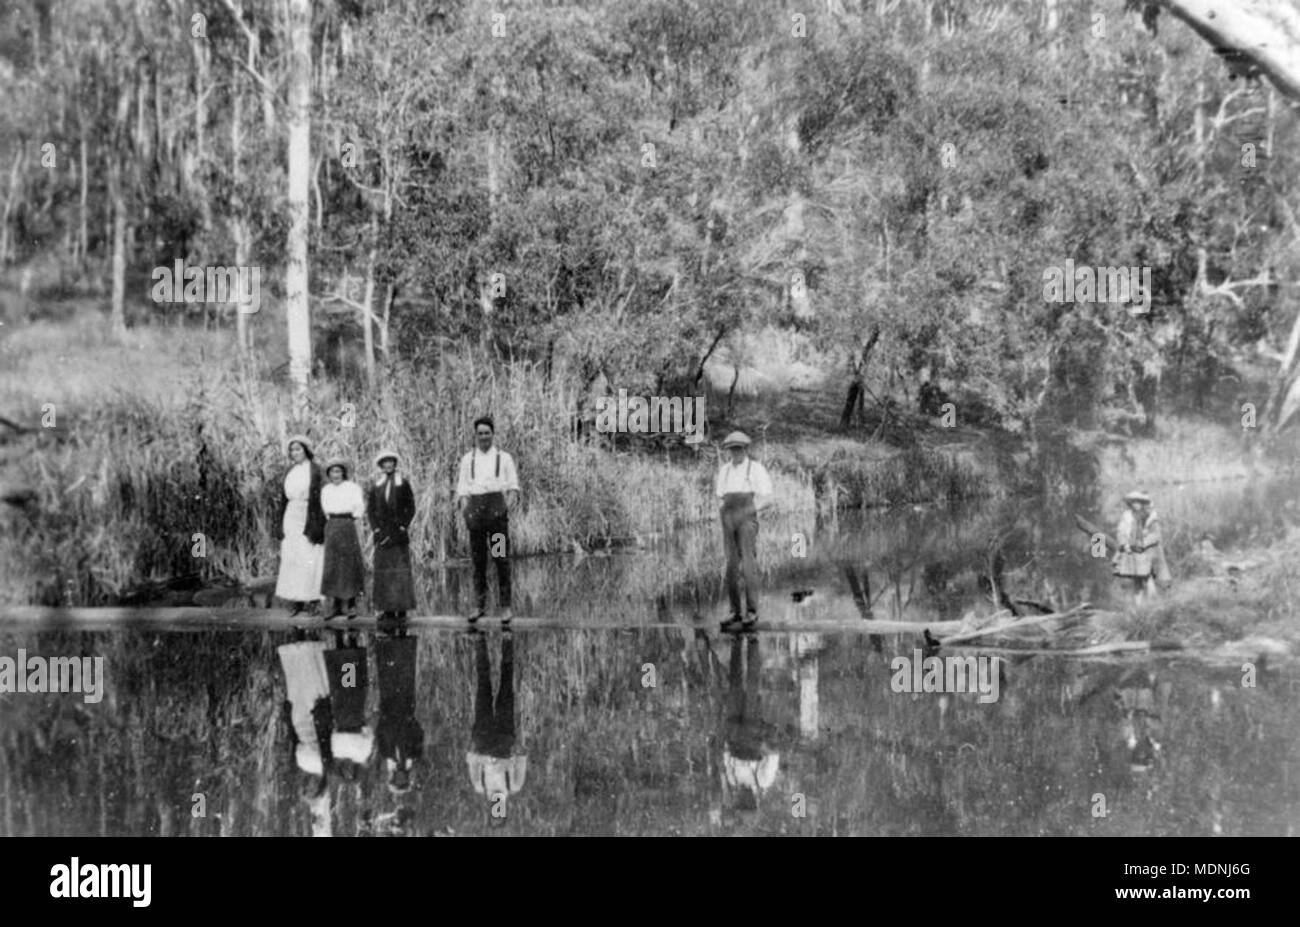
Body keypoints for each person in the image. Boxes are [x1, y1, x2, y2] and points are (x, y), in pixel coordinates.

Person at [456, 416, 520, 624]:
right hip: (475, 516)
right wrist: (467, 511)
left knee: (501, 559)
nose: (484, 437)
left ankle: (505, 607)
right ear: (475, 435)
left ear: (493, 434)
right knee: (478, 561)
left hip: (496, 516)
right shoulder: (468, 460)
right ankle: (479, 606)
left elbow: (513, 489)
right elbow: (463, 490)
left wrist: (503, 510)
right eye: (480, 433)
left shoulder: (504, 458)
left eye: (487, 433)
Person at [466, 629, 527, 827]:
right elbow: (522, 755)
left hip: (483, 735)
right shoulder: (514, 785)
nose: (497, 808)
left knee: (483, 683)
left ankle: (480, 641)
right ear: (505, 810)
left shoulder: (479, 785)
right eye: (499, 812)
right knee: (506, 682)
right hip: (503, 733)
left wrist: (486, 759)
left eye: (494, 812)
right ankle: (507, 639)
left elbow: (471, 757)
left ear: (490, 809)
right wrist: (507, 761)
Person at [715, 431, 773, 631]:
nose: (735, 452)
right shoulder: (725, 471)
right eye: (732, 449)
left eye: (739, 448)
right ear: (728, 451)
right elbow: (721, 497)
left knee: (748, 564)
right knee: (731, 565)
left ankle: (752, 611)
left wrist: (749, 510)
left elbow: (767, 499)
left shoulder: (756, 469)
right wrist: (726, 514)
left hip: (747, 519)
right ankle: (734, 612)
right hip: (729, 518)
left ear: (746, 449)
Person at [274, 434, 325, 617]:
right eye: (292, 450)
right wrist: (279, 524)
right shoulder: (290, 471)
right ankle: (296, 601)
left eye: (298, 449)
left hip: (309, 514)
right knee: (292, 556)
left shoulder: (316, 470)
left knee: (309, 555)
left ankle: (313, 600)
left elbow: (320, 499)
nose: (294, 453)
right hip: (291, 515)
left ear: (306, 450)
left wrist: (318, 524)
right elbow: (283, 499)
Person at [368, 449, 417, 620]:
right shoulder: (377, 485)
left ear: (395, 464)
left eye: (391, 461)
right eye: (385, 462)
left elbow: (411, 507)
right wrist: (376, 529)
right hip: (382, 534)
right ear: (381, 465)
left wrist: (404, 525)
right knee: (384, 572)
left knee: (399, 572)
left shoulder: (402, 483)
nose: (388, 464)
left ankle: (401, 609)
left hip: (398, 534)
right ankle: (387, 610)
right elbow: (371, 510)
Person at [320, 458, 366, 620]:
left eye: (338, 471)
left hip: (347, 524)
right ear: (329, 474)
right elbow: (325, 509)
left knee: (349, 562)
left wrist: (351, 519)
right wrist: (332, 522)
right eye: (332, 471)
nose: (335, 475)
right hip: (332, 525)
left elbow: (359, 507)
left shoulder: (352, 488)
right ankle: (336, 605)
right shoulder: (326, 490)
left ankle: (352, 604)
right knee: (333, 564)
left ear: (343, 473)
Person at [1112, 490, 1170, 604]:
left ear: (1143, 503)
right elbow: (1121, 532)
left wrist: (1142, 544)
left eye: (1138, 502)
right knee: (1135, 579)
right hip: (1132, 552)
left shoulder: (1150, 517)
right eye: (1133, 502)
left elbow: (1155, 535)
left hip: (1147, 552)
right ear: (1131, 504)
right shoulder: (1127, 516)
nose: (1136, 505)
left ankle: (1153, 605)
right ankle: (1139, 607)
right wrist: (1124, 544)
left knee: (1148, 578)